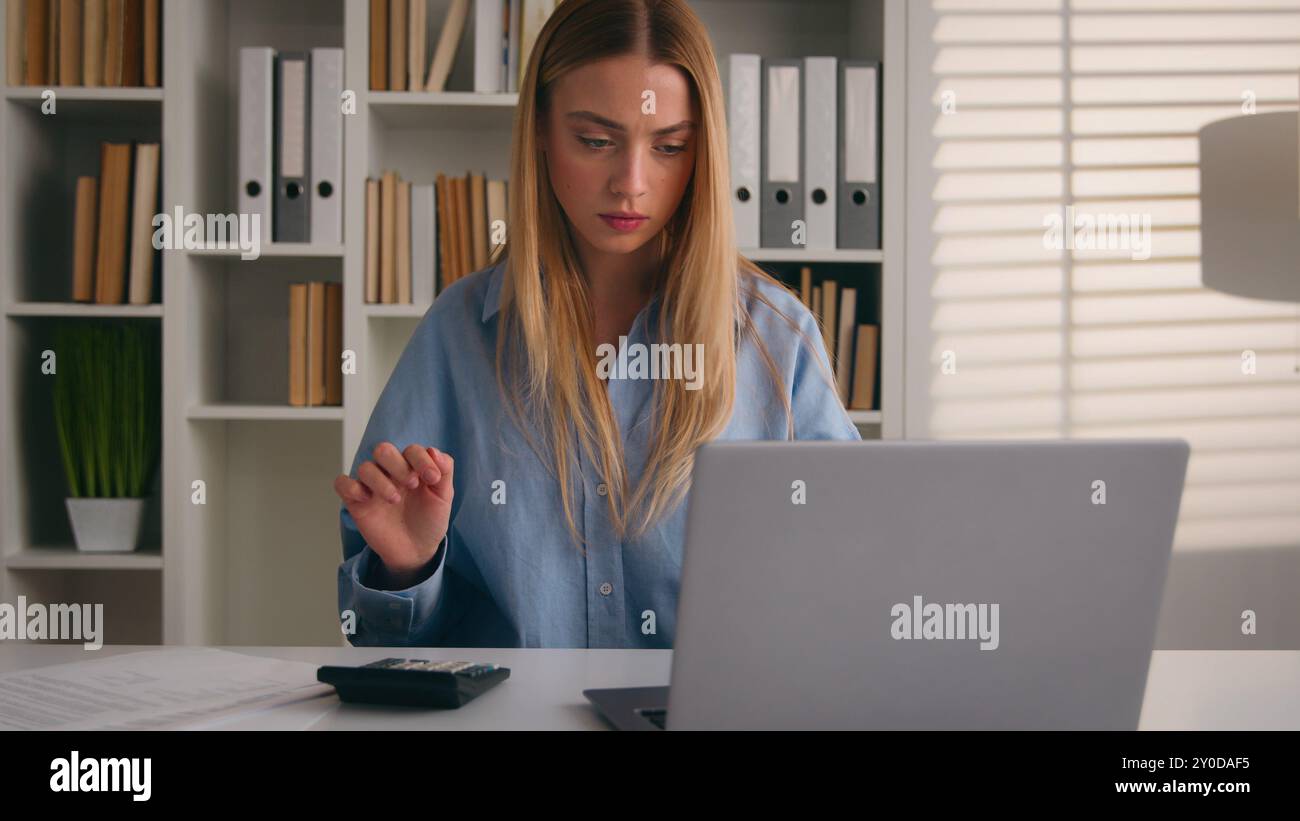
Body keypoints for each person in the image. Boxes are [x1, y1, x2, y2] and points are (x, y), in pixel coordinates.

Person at [334, 0, 860, 648]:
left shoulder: (777, 340)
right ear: (540, 135)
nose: (631, 184)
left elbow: (847, 599)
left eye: (669, 146)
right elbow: (375, 637)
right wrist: (406, 567)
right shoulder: (457, 335)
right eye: (595, 141)